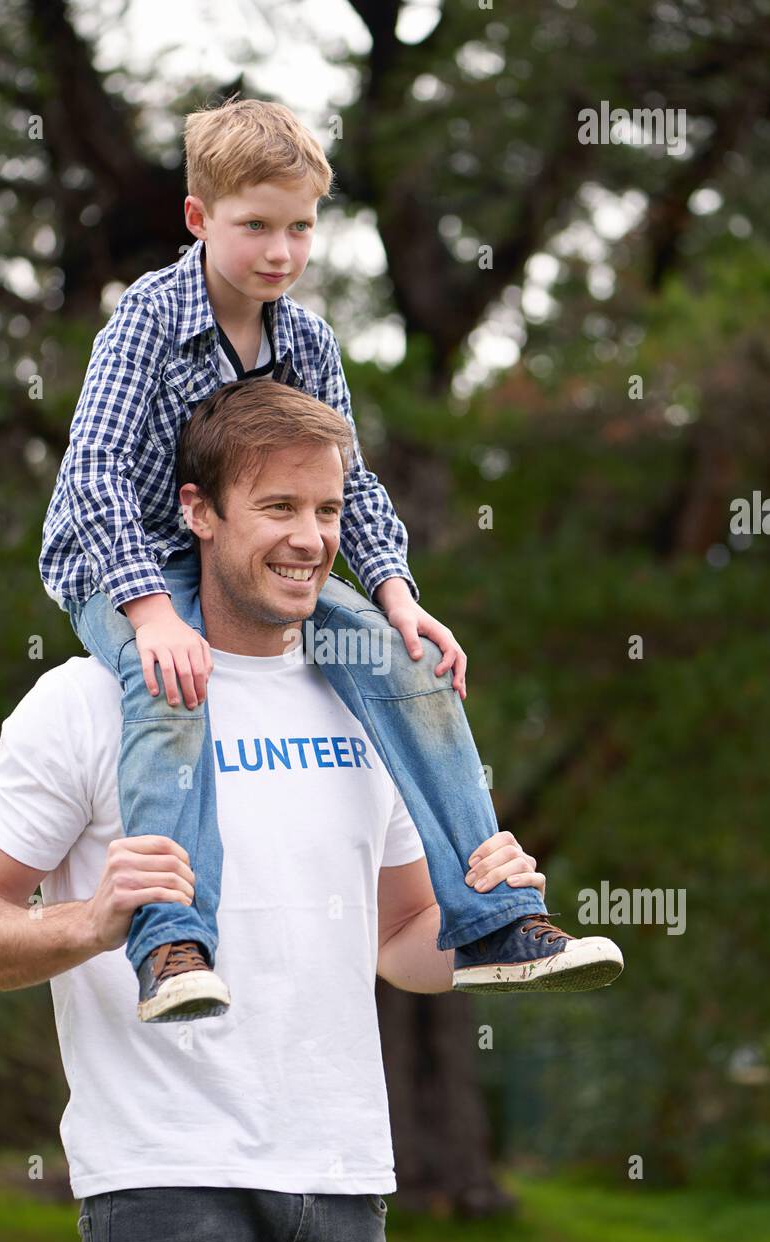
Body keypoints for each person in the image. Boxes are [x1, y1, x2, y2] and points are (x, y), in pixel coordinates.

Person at [0, 384, 565, 1242]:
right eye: (277, 508)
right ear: (199, 512)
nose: (311, 539)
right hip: (166, 1185)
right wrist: (98, 922)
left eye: (328, 510)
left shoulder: (371, 697)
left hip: (345, 1179)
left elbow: (400, 941)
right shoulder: (86, 699)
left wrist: (486, 922)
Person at [38, 97, 623, 1024]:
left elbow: (349, 480)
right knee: (169, 685)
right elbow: (94, 474)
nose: (279, 251)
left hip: (250, 561)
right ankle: (172, 940)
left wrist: (396, 597)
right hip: (125, 561)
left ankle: (494, 919)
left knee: (409, 663)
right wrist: (150, 613)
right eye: (255, 227)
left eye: (300, 227)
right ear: (200, 219)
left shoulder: (305, 340)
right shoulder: (147, 319)